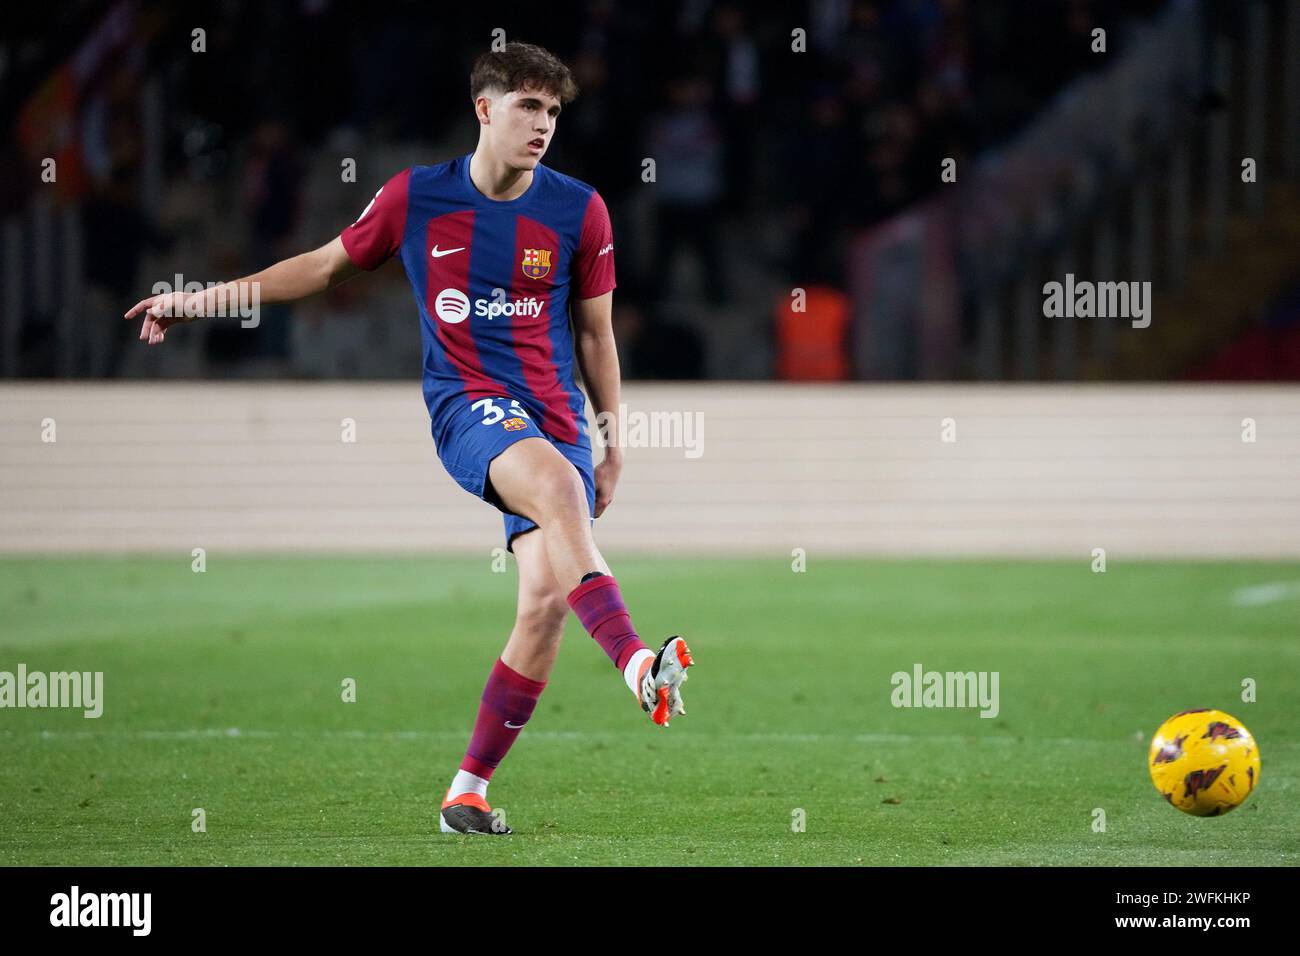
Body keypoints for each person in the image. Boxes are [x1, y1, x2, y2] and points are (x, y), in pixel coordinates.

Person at [123, 41, 693, 836]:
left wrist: (613, 439)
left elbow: (596, 336)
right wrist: (194, 301)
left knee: (543, 606)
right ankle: (638, 663)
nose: (543, 126)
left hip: (557, 420)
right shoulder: (415, 199)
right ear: (484, 108)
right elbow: (321, 268)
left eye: (554, 112)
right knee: (560, 502)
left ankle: (467, 791)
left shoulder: (579, 210)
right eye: (528, 106)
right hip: (469, 407)